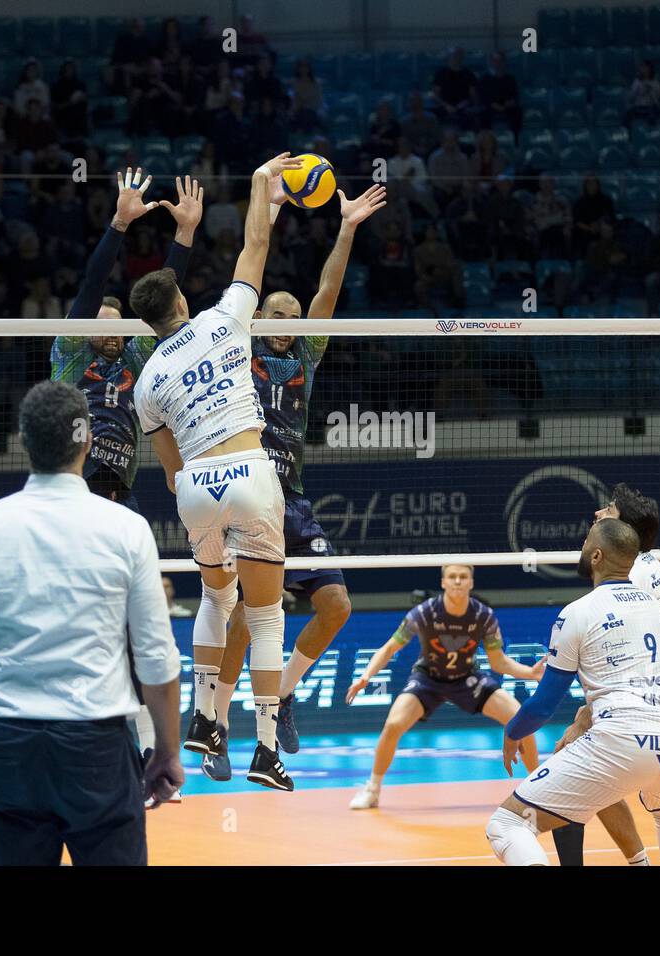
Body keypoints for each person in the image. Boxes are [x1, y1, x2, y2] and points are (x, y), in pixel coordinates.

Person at [0, 381, 184, 866]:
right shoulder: (126, 528)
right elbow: (155, 658)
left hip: (11, 752)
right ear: (87, 441)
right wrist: (167, 752)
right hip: (98, 753)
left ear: (24, 441)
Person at [132, 151, 303, 791]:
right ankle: (264, 750)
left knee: (214, 593)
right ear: (180, 296)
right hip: (249, 470)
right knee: (264, 619)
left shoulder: (146, 379)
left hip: (196, 484)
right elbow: (256, 243)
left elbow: (171, 470)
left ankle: (206, 715)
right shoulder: (224, 318)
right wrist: (261, 185)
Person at [205, 185, 386, 781]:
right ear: (257, 319)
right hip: (247, 494)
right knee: (245, 616)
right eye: (275, 314)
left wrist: (348, 228)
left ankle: (281, 693)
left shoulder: (304, 358)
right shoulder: (236, 349)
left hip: (295, 501)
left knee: (335, 606)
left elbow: (328, 292)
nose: (285, 322)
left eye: (292, 315)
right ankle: (218, 729)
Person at [487, 519, 660, 866]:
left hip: (624, 742)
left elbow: (543, 705)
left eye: (586, 540)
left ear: (597, 555)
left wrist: (513, 732)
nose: (582, 545)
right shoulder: (659, 609)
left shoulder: (577, 612)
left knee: (508, 824)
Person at [547, 484, 660, 867]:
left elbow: (630, 665)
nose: (598, 514)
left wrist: (584, 719)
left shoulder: (628, 580)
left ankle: (637, 862)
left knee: (573, 761)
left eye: (608, 511)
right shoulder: (651, 569)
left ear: (623, 530)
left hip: (657, 697)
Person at [50, 168, 201, 512]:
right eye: (100, 327)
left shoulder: (134, 360)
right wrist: (119, 222)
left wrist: (185, 231)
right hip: (73, 490)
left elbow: (165, 294)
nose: (111, 334)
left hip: (121, 495)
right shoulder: (71, 356)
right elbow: (92, 285)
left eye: (117, 327)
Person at [345, 564, 545, 810]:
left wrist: (530, 673)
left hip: (466, 678)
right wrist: (366, 676)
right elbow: (389, 648)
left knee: (519, 718)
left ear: (471, 582)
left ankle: (537, 790)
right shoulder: (424, 612)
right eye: (453, 577)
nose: (458, 581)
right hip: (428, 679)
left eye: (463, 577)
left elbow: (498, 661)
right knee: (394, 724)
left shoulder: (483, 615)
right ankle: (373, 790)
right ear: (443, 583)